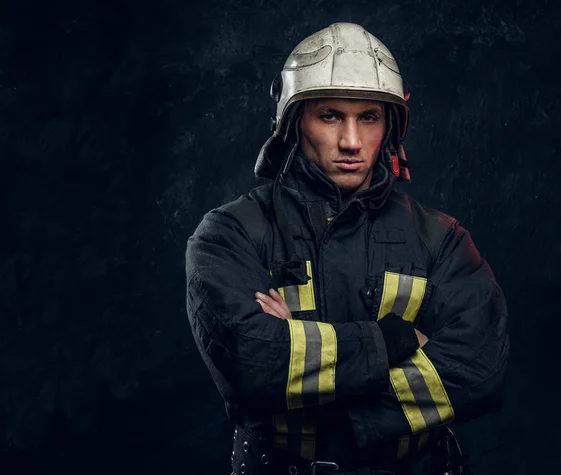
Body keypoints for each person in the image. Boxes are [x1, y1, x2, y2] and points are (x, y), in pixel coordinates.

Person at [185, 22, 509, 475]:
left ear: (390, 127)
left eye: (369, 118)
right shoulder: (229, 235)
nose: (352, 142)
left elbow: (478, 371)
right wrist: (398, 339)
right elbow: (253, 364)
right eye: (331, 116)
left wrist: (304, 363)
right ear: (293, 123)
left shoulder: (442, 240)